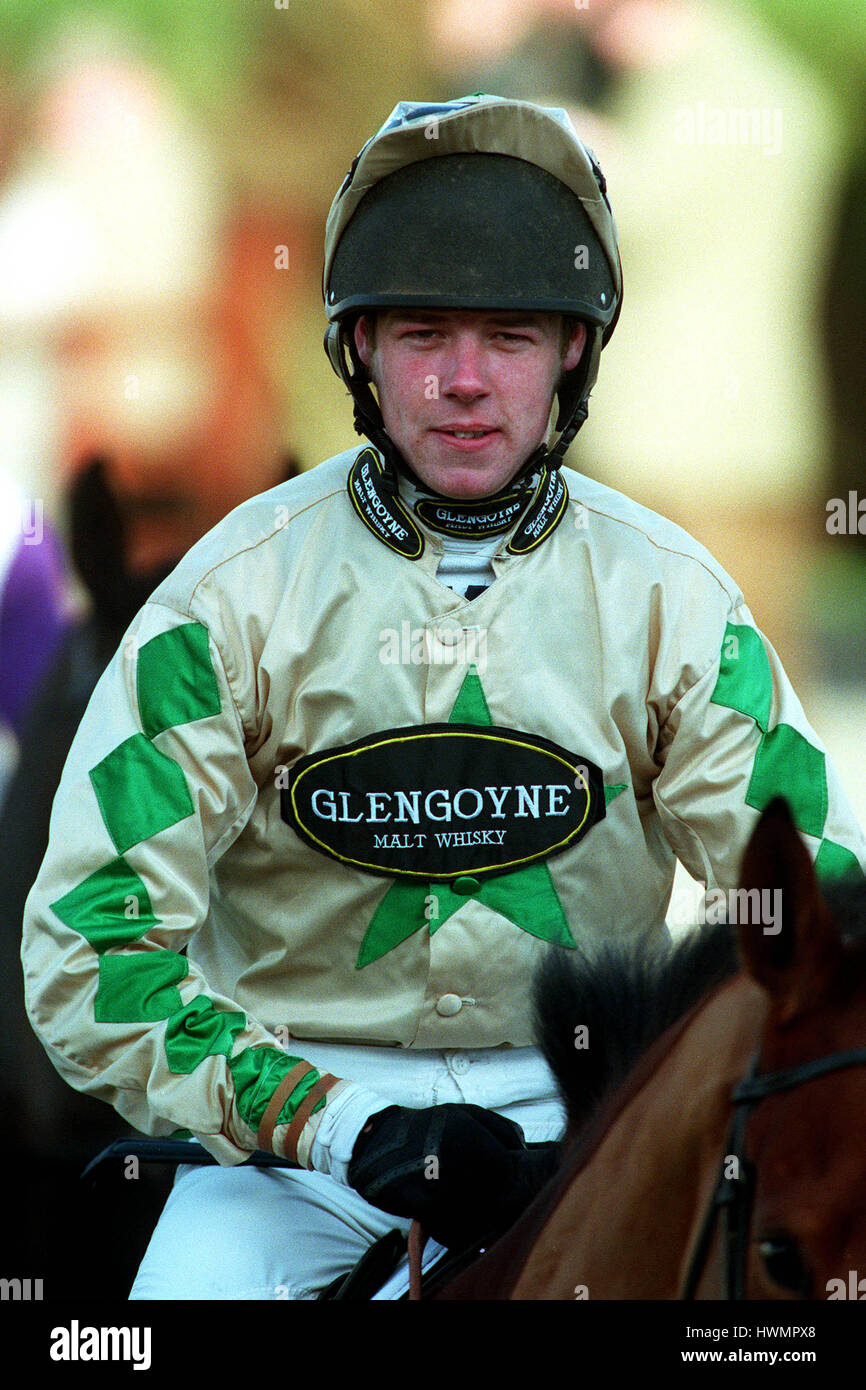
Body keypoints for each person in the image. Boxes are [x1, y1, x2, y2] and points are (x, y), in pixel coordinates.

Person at [21, 95, 866, 1300]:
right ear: (357, 348)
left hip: (590, 1115)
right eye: (424, 334)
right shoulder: (221, 603)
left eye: (512, 337)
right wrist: (337, 1123)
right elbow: (89, 949)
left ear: (575, 349)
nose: (465, 383)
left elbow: (823, 916)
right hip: (290, 1149)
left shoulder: (680, 603)